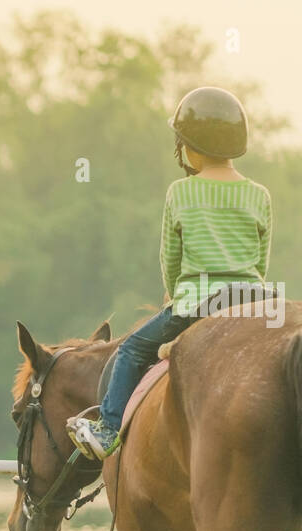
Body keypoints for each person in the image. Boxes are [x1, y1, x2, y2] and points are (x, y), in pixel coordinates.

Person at [68, 87, 272, 460]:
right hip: (255, 300)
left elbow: (171, 260)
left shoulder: (181, 192)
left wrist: (174, 295)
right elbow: (260, 263)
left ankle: (109, 428)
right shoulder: (259, 194)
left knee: (131, 349)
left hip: (198, 302)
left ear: (190, 146)